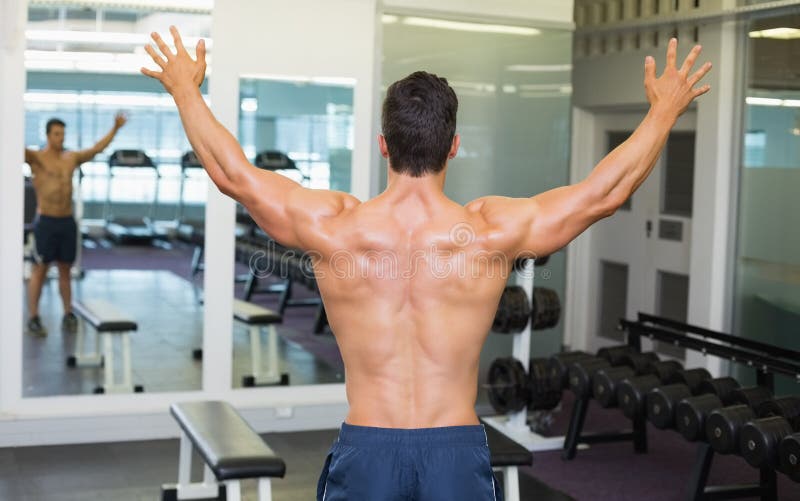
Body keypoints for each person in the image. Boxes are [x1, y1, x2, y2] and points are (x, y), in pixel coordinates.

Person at [142, 27, 711, 501]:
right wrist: (663, 110)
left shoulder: (333, 225)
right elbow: (602, 195)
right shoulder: (490, 231)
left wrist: (186, 90)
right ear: (454, 145)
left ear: (384, 145)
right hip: (454, 452)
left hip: (368, 448)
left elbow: (231, 174)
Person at [24, 113, 127, 336]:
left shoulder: (71, 158)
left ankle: (67, 313)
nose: (61, 138)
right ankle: (33, 317)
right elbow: (11, 144)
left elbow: (97, 149)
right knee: (39, 270)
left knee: (65, 269)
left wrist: (115, 128)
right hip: (46, 222)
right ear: (48, 135)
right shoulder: (37, 158)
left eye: (63, 134)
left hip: (67, 221)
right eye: (57, 134)